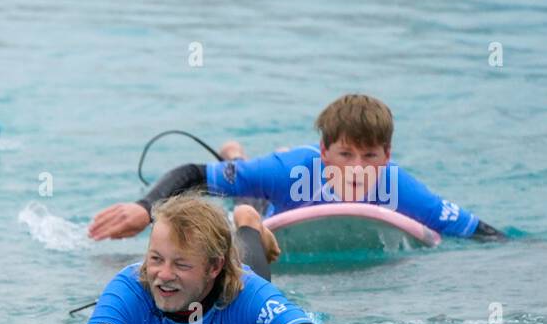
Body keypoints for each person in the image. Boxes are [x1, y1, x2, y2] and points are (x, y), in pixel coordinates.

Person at [88, 94, 505, 242]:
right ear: (324, 152)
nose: (358, 169)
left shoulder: (400, 189)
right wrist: (146, 208)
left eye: (370, 157)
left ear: (388, 155)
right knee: (244, 190)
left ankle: (239, 159)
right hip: (275, 195)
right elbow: (193, 174)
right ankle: (236, 159)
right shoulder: (292, 169)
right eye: (346, 155)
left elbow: (481, 234)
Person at [72, 195, 337, 324]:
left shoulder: (245, 292)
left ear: (213, 267)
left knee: (254, 271)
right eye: (155, 258)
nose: (163, 275)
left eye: (181, 264)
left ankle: (248, 224)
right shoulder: (128, 291)